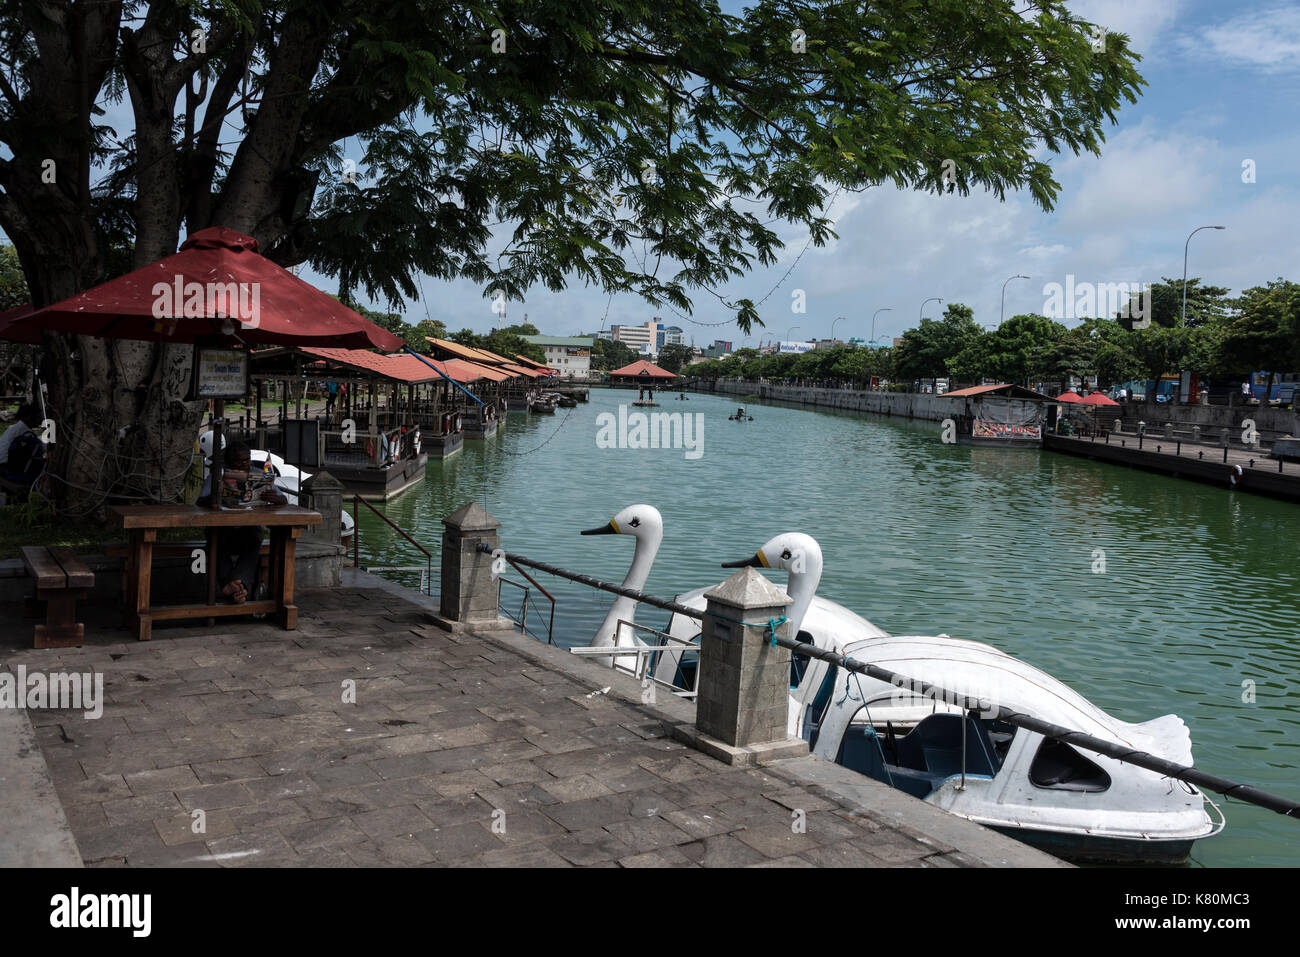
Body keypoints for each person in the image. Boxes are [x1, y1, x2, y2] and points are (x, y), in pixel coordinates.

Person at [196, 440, 286, 604]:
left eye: (247, 460)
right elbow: (200, 502)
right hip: (223, 531)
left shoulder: (258, 474)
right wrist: (216, 496)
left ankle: (234, 586)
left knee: (255, 535)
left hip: (246, 531)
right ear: (229, 461)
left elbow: (283, 498)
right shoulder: (217, 476)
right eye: (239, 461)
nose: (244, 464)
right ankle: (239, 587)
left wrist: (276, 498)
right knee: (216, 539)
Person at [0, 403, 45, 485]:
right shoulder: (24, 430)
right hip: (5, 468)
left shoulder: (14, 428)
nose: (39, 421)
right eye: (36, 417)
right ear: (28, 417)